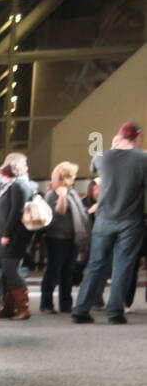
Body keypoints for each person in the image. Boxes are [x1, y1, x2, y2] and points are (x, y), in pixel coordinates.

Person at [72, 122, 147, 324]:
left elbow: (94, 169)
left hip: (104, 219)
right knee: (123, 266)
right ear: (137, 138)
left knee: (96, 264)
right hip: (130, 220)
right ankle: (115, 312)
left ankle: (81, 309)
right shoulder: (144, 159)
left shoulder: (101, 156)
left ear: (119, 135)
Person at [40, 161, 84, 313]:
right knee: (53, 270)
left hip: (72, 238)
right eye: (73, 175)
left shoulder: (72, 192)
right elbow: (56, 214)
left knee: (68, 272)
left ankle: (66, 304)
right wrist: (62, 197)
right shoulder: (54, 193)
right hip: (56, 238)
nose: (75, 177)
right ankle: (46, 304)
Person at [0, 153, 32, 320]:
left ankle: (23, 307)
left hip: (12, 237)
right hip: (4, 236)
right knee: (7, 272)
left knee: (12, 271)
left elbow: (16, 211)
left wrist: (7, 234)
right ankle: (8, 307)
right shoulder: (10, 185)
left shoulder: (19, 186)